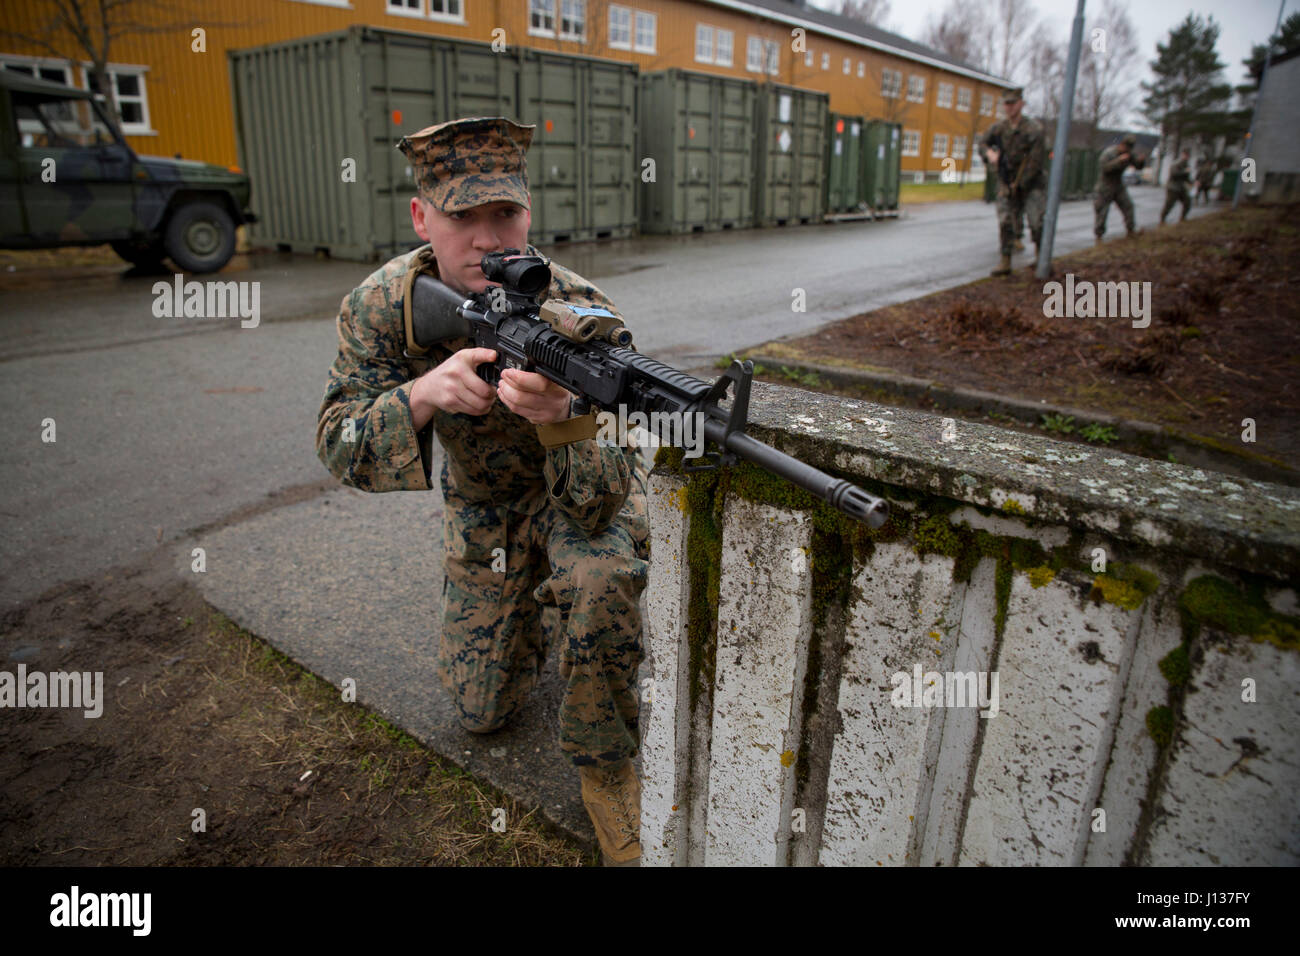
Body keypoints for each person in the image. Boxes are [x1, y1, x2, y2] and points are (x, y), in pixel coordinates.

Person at [314, 117, 650, 867]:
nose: (490, 238)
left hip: (573, 500)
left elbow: (605, 497)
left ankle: (607, 767)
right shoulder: (383, 307)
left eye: (506, 214)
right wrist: (421, 397)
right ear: (420, 217)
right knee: (480, 713)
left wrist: (567, 421)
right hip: (484, 514)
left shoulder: (582, 312)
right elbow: (339, 442)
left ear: (530, 213)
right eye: (463, 216)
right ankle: (534, 614)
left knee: (600, 577)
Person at [978, 88, 1047, 276]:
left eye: (1013, 103)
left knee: (1036, 222)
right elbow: (982, 144)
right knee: (1005, 221)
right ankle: (1005, 261)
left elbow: (1035, 161)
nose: (1009, 107)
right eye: (1006, 104)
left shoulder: (1033, 129)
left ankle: (1042, 259)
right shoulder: (999, 129)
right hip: (1006, 181)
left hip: (1031, 183)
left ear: (1021, 104)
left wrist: (1020, 184)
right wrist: (989, 153)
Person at [1094, 133, 1145, 244]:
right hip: (1105, 186)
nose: (1127, 150)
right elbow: (1104, 168)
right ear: (1122, 144)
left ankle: (1130, 230)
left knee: (1128, 206)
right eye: (1126, 147)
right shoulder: (1109, 153)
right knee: (1102, 211)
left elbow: (1138, 165)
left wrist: (1141, 161)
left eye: (1130, 148)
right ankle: (1099, 236)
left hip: (1118, 185)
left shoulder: (1129, 154)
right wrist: (1119, 161)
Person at [1161, 148, 1193, 225]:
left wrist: (1192, 182)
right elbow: (1174, 174)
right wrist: (1185, 172)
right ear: (1183, 155)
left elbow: (1186, 177)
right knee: (1169, 204)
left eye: (1188, 156)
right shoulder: (1176, 163)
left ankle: (1183, 218)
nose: (1187, 157)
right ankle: (1162, 220)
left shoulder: (1186, 165)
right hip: (1173, 187)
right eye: (1186, 155)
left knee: (1187, 202)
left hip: (1181, 188)